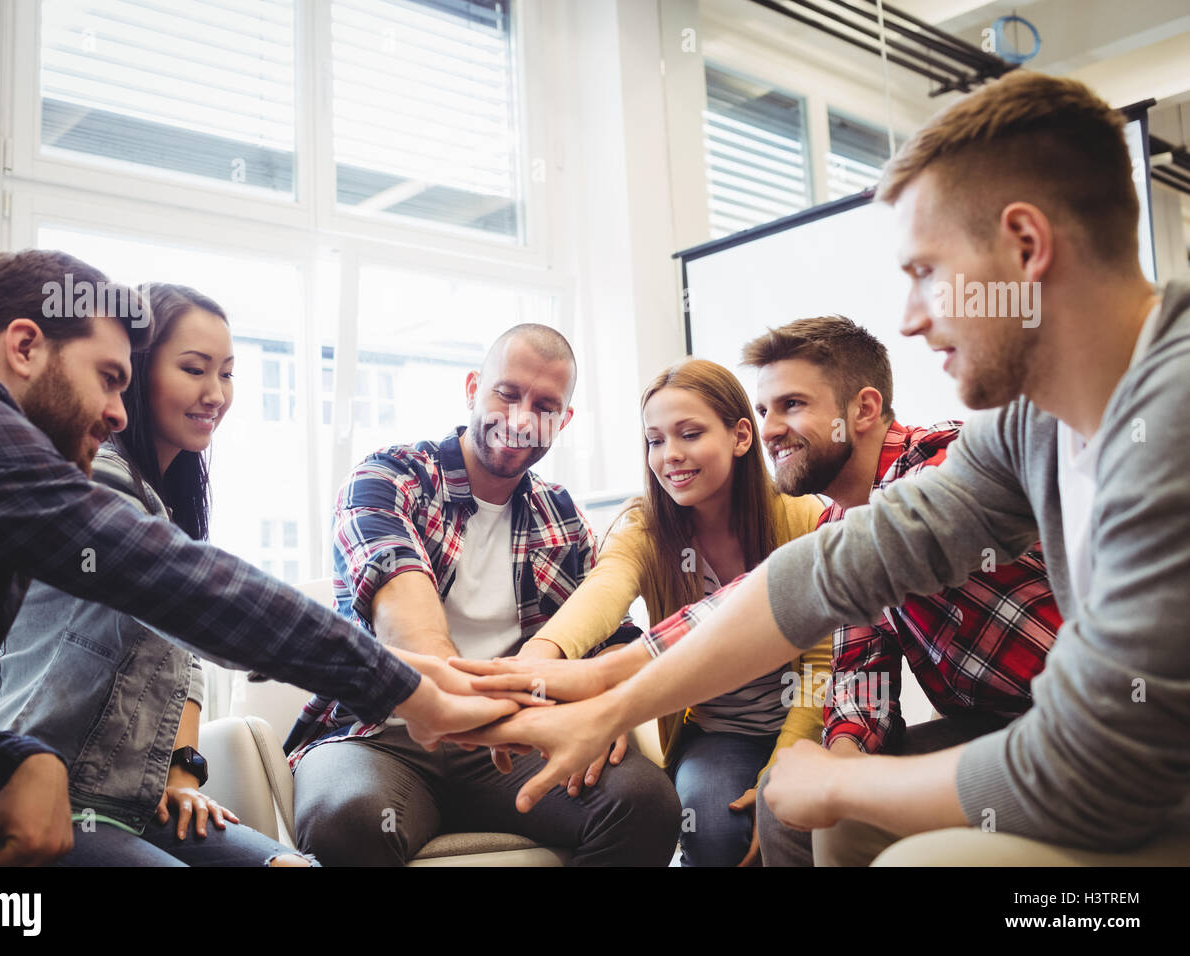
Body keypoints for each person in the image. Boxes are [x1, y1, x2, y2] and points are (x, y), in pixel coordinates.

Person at [448, 70, 1190, 865]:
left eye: (925, 274)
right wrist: (603, 689)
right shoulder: (1025, 431)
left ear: (1026, 246)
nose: (911, 318)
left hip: (1134, 776)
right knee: (830, 820)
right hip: (1067, 749)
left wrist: (834, 782)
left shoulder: (1169, 415)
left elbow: (1100, 765)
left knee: (904, 852)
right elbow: (821, 581)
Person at [0, 249, 521, 866]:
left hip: (110, 801)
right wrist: (405, 688)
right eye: (109, 378)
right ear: (24, 347)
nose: (116, 410)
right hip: (87, 806)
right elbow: (185, 589)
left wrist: (22, 766)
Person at [285, 324, 682, 866]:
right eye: (507, 393)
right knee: (349, 820)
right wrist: (503, 716)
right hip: (381, 734)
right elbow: (416, 638)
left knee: (645, 802)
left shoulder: (561, 514)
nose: (521, 420)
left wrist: (609, 711)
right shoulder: (388, 478)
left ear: (562, 421)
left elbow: (613, 636)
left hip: (515, 745)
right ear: (473, 388)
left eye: (545, 406)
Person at [0, 283, 308, 865]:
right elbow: (201, 611)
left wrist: (182, 776)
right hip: (37, 794)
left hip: (132, 799)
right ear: (135, 372)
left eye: (226, 374)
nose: (215, 394)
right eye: (194, 369)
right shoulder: (99, 477)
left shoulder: (165, 506)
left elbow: (182, 656)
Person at [741, 315, 1059, 865]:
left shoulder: (942, 462)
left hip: (1072, 719)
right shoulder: (834, 527)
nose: (768, 428)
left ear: (863, 410)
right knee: (787, 809)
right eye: (764, 409)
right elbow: (861, 678)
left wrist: (617, 684)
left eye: (791, 405)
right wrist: (837, 766)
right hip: (984, 727)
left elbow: (784, 591)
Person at [521, 358, 829, 866]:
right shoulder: (646, 529)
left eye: (689, 434)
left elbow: (823, 664)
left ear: (741, 436)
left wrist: (778, 772)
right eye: (655, 440)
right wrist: (541, 655)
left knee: (789, 823)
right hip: (719, 733)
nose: (670, 456)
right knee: (713, 827)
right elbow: (603, 592)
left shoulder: (804, 519)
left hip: (811, 723)